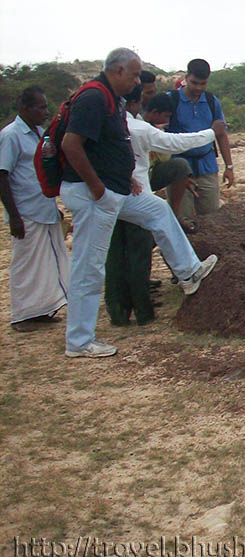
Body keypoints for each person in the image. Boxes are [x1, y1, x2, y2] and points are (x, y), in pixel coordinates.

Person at [60, 47, 218, 358]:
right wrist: (98, 188)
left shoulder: (112, 100)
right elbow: (71, 144)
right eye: (133, 75)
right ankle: (79, 341)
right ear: (116, 71)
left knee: (157, 210)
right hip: (95, 195)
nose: (137, 82)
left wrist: (125, 178)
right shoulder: (93, 98)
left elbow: (111, 146)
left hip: (115, 189)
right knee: (88, 266)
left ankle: (189, 272)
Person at [105, 89, 227, 326]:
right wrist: (212, 132)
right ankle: (182, 279)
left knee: (115, 254)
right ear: (132, 103)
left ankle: (120, 313)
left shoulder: (112, 125)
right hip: (127, 194)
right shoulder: (135, 128)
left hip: (111, 192)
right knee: (144, 238)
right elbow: (175, 143)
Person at [0, 86, 70, 332]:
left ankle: (42, 309)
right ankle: (21, 315)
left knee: (49, 263)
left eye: (45, 106)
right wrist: (14, 216)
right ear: (25, 108)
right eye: (39, 107)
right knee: (26, 264)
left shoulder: (40, 134)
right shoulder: (11, 135)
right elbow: (2, 175)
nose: (44, 111)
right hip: (26, 212)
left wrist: (54, 207)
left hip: (44, 208)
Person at [165, 58, 235, 226]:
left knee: (212, 219)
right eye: (194, 83)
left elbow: (221, 135)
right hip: (179, 169)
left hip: (207, 167)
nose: (198, 88)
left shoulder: (211, 101)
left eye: (203, 84)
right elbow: (157, 136)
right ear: (186, 77)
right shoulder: (171, 100)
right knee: (182, 220)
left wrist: (229, 167)